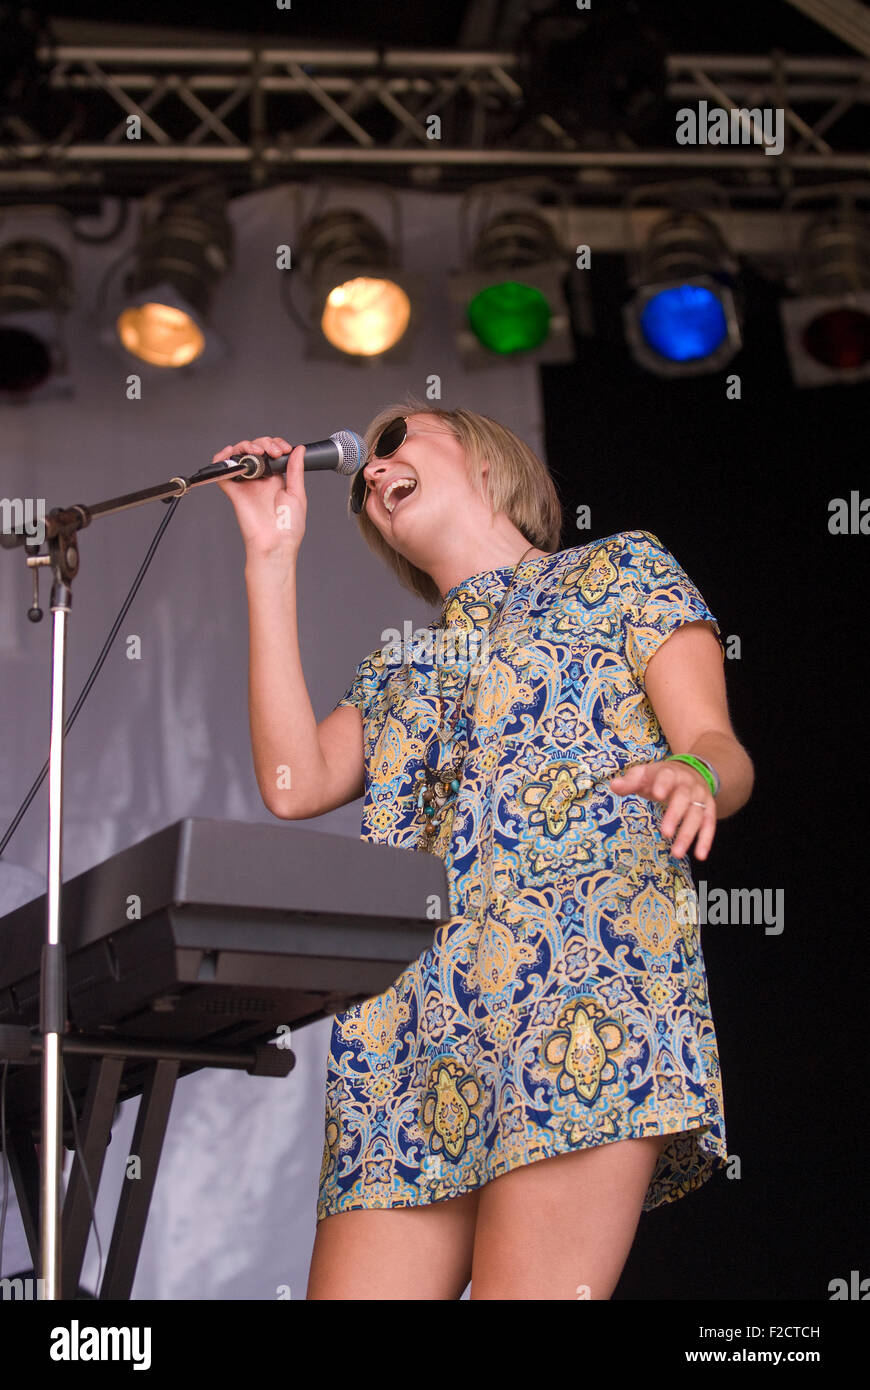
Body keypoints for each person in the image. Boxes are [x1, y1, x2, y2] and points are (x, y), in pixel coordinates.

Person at [215, 398, 754, 1301]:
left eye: (395, 443)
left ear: (488, 460)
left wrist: (694, 771)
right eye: (363, 480)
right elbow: (291, 782)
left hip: (579, 992)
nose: (372, 471)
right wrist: (270, 557)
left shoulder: (621, 569)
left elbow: (720, 746)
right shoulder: (399, 665)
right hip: (404, 1035)